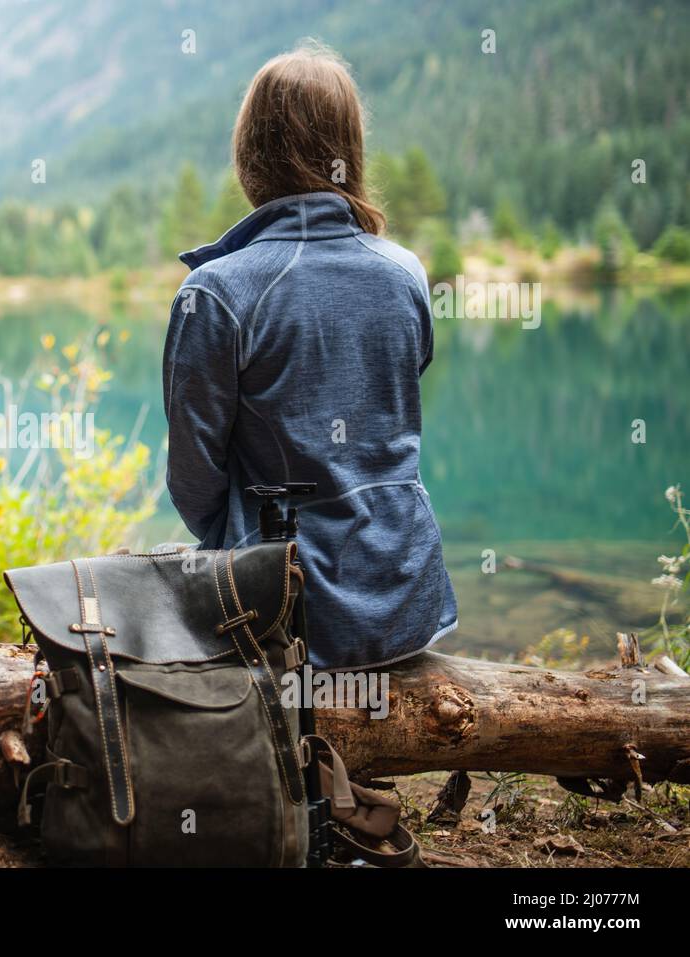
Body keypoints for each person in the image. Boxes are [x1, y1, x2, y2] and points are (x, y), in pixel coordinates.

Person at [163, 41, 457, 671]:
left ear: (251, 153)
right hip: (408, 603)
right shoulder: (404, 274)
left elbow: (194, 479)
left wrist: (240, 548)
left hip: (281, 615)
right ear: (349, 151)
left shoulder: (215, 293)